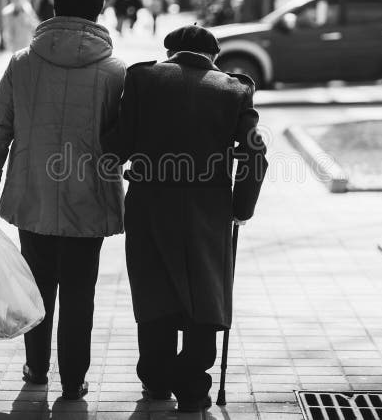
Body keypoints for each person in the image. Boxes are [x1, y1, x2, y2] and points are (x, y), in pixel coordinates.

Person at [0, 0, 126, 400]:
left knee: (35, 288)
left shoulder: (23, 63)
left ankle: (36, 369)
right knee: (80, 294)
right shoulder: (115, 71)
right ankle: (74, 381)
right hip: (88, 199)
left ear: (54, 10)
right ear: (97, 14)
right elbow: (124, 140)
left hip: (33, 193)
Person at [101, 25, 267, 412]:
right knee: (203, 294)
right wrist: (241, 210)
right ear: (213, 57)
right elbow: (255, 155)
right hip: (207, 209)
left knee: (155, 289)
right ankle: (192, 388)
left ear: (170, 52)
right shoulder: (234, 89)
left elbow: (119, 145)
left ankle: (156, 381)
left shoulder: (142, 77)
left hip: (149, 202)